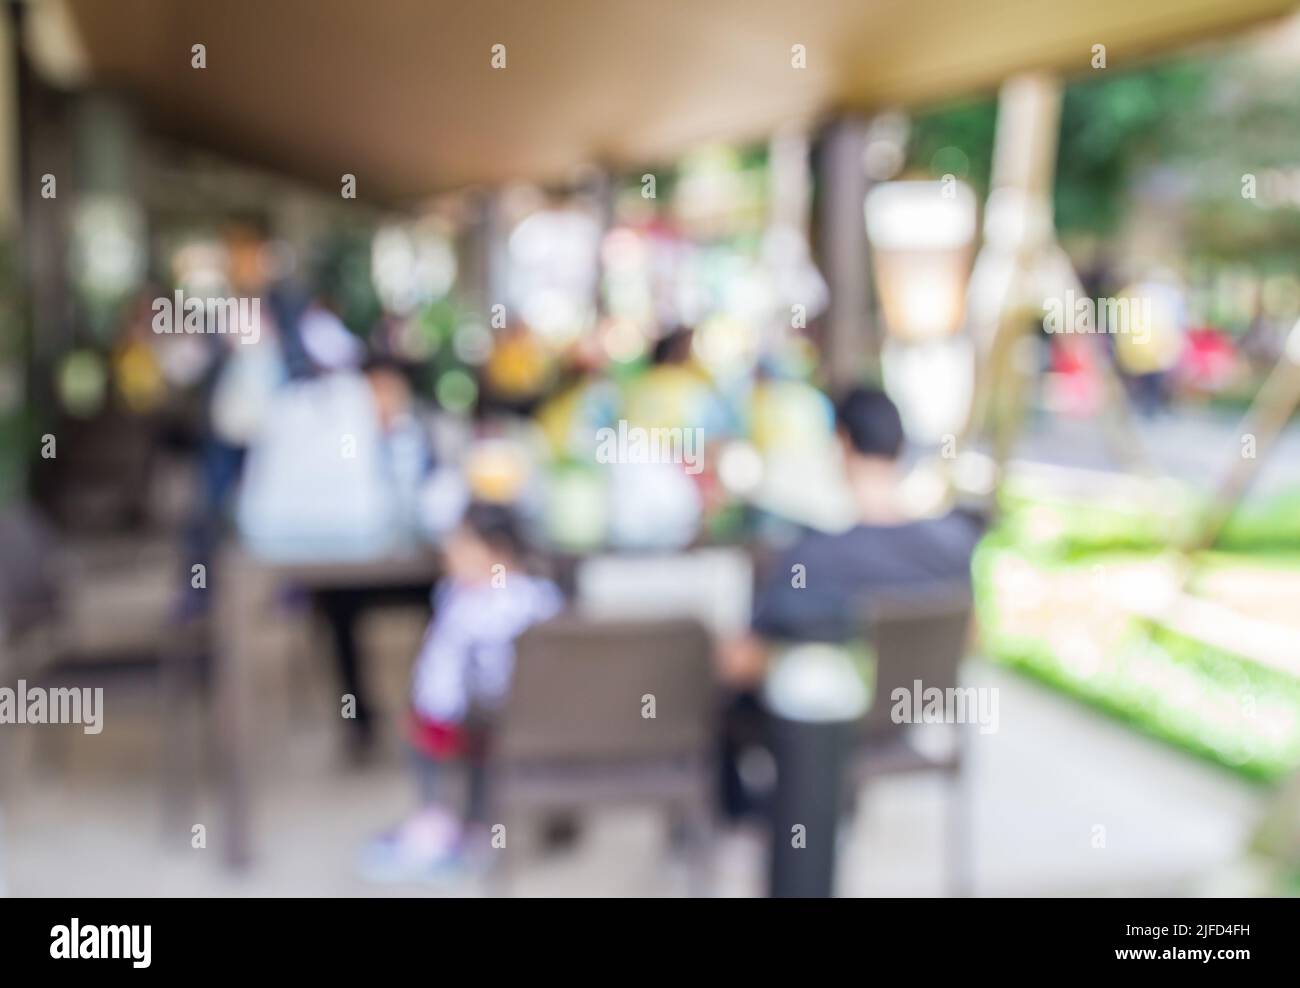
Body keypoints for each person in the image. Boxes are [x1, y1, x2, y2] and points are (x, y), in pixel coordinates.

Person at [717, 386, 984, 817]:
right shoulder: (954, 546)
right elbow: (971, 638)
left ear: (841, 443)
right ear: (899, 445)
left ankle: (746, 816)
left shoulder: (814, 557)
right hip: (906, 719)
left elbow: (740, 663)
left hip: (822, 730)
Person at [358, 502, 563, 881]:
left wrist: (435, 710)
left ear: (498, 552)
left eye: (462, 545)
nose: (449, 553)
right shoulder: (539, 596)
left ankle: (445, 826)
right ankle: (461, 826)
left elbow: (454, 674)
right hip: (505, 718)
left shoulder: (485, 605)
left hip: (479, 716)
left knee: (450, 746)